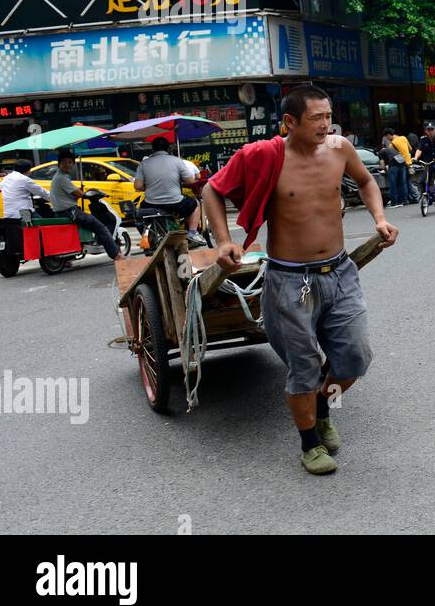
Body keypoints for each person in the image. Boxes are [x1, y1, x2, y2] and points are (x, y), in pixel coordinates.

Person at [203, 85, 397, 475]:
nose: (326, 125)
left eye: (328, 116)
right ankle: (310, 444)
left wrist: (378, 218)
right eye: (316, 118)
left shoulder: (341, 149)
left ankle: (323, 407)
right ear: (289, 122)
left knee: (355, 357)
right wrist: (224, 242)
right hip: (290, 280)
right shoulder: (262, 155)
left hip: (340, 272)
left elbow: (366, 182)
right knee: (304, 366)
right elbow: (212, 189)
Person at [50, 150, 122, 261]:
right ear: (58, 164)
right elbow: (78, 194)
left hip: (63, 212)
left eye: (70, 162)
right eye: (64, 162)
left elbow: (74, 193)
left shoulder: (60, 177)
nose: (67, 165)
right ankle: (116, 255)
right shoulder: (62, 178)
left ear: (74, 164)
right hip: (70, 212)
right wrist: (84, 194)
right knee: (101, 228)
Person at [134, 137, 204, 246]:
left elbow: (138, 186)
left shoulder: (144, 163)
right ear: (168, 148)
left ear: (153, 149)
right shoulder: (177, 161)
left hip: (151, 203)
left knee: (140, 214)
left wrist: (148, 186)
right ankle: (193, 232)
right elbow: (190, 180)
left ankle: (148, 237)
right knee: (195, 204)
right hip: (175, 202)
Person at [379, 134, 411, 208]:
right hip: (402, 162)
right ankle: (403, 201)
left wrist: (383, 170)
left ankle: (394, 203)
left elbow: (382, 165)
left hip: (393, 165)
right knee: (402, 183)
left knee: (393, 184)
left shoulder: (380, 153)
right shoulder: (391, 149)